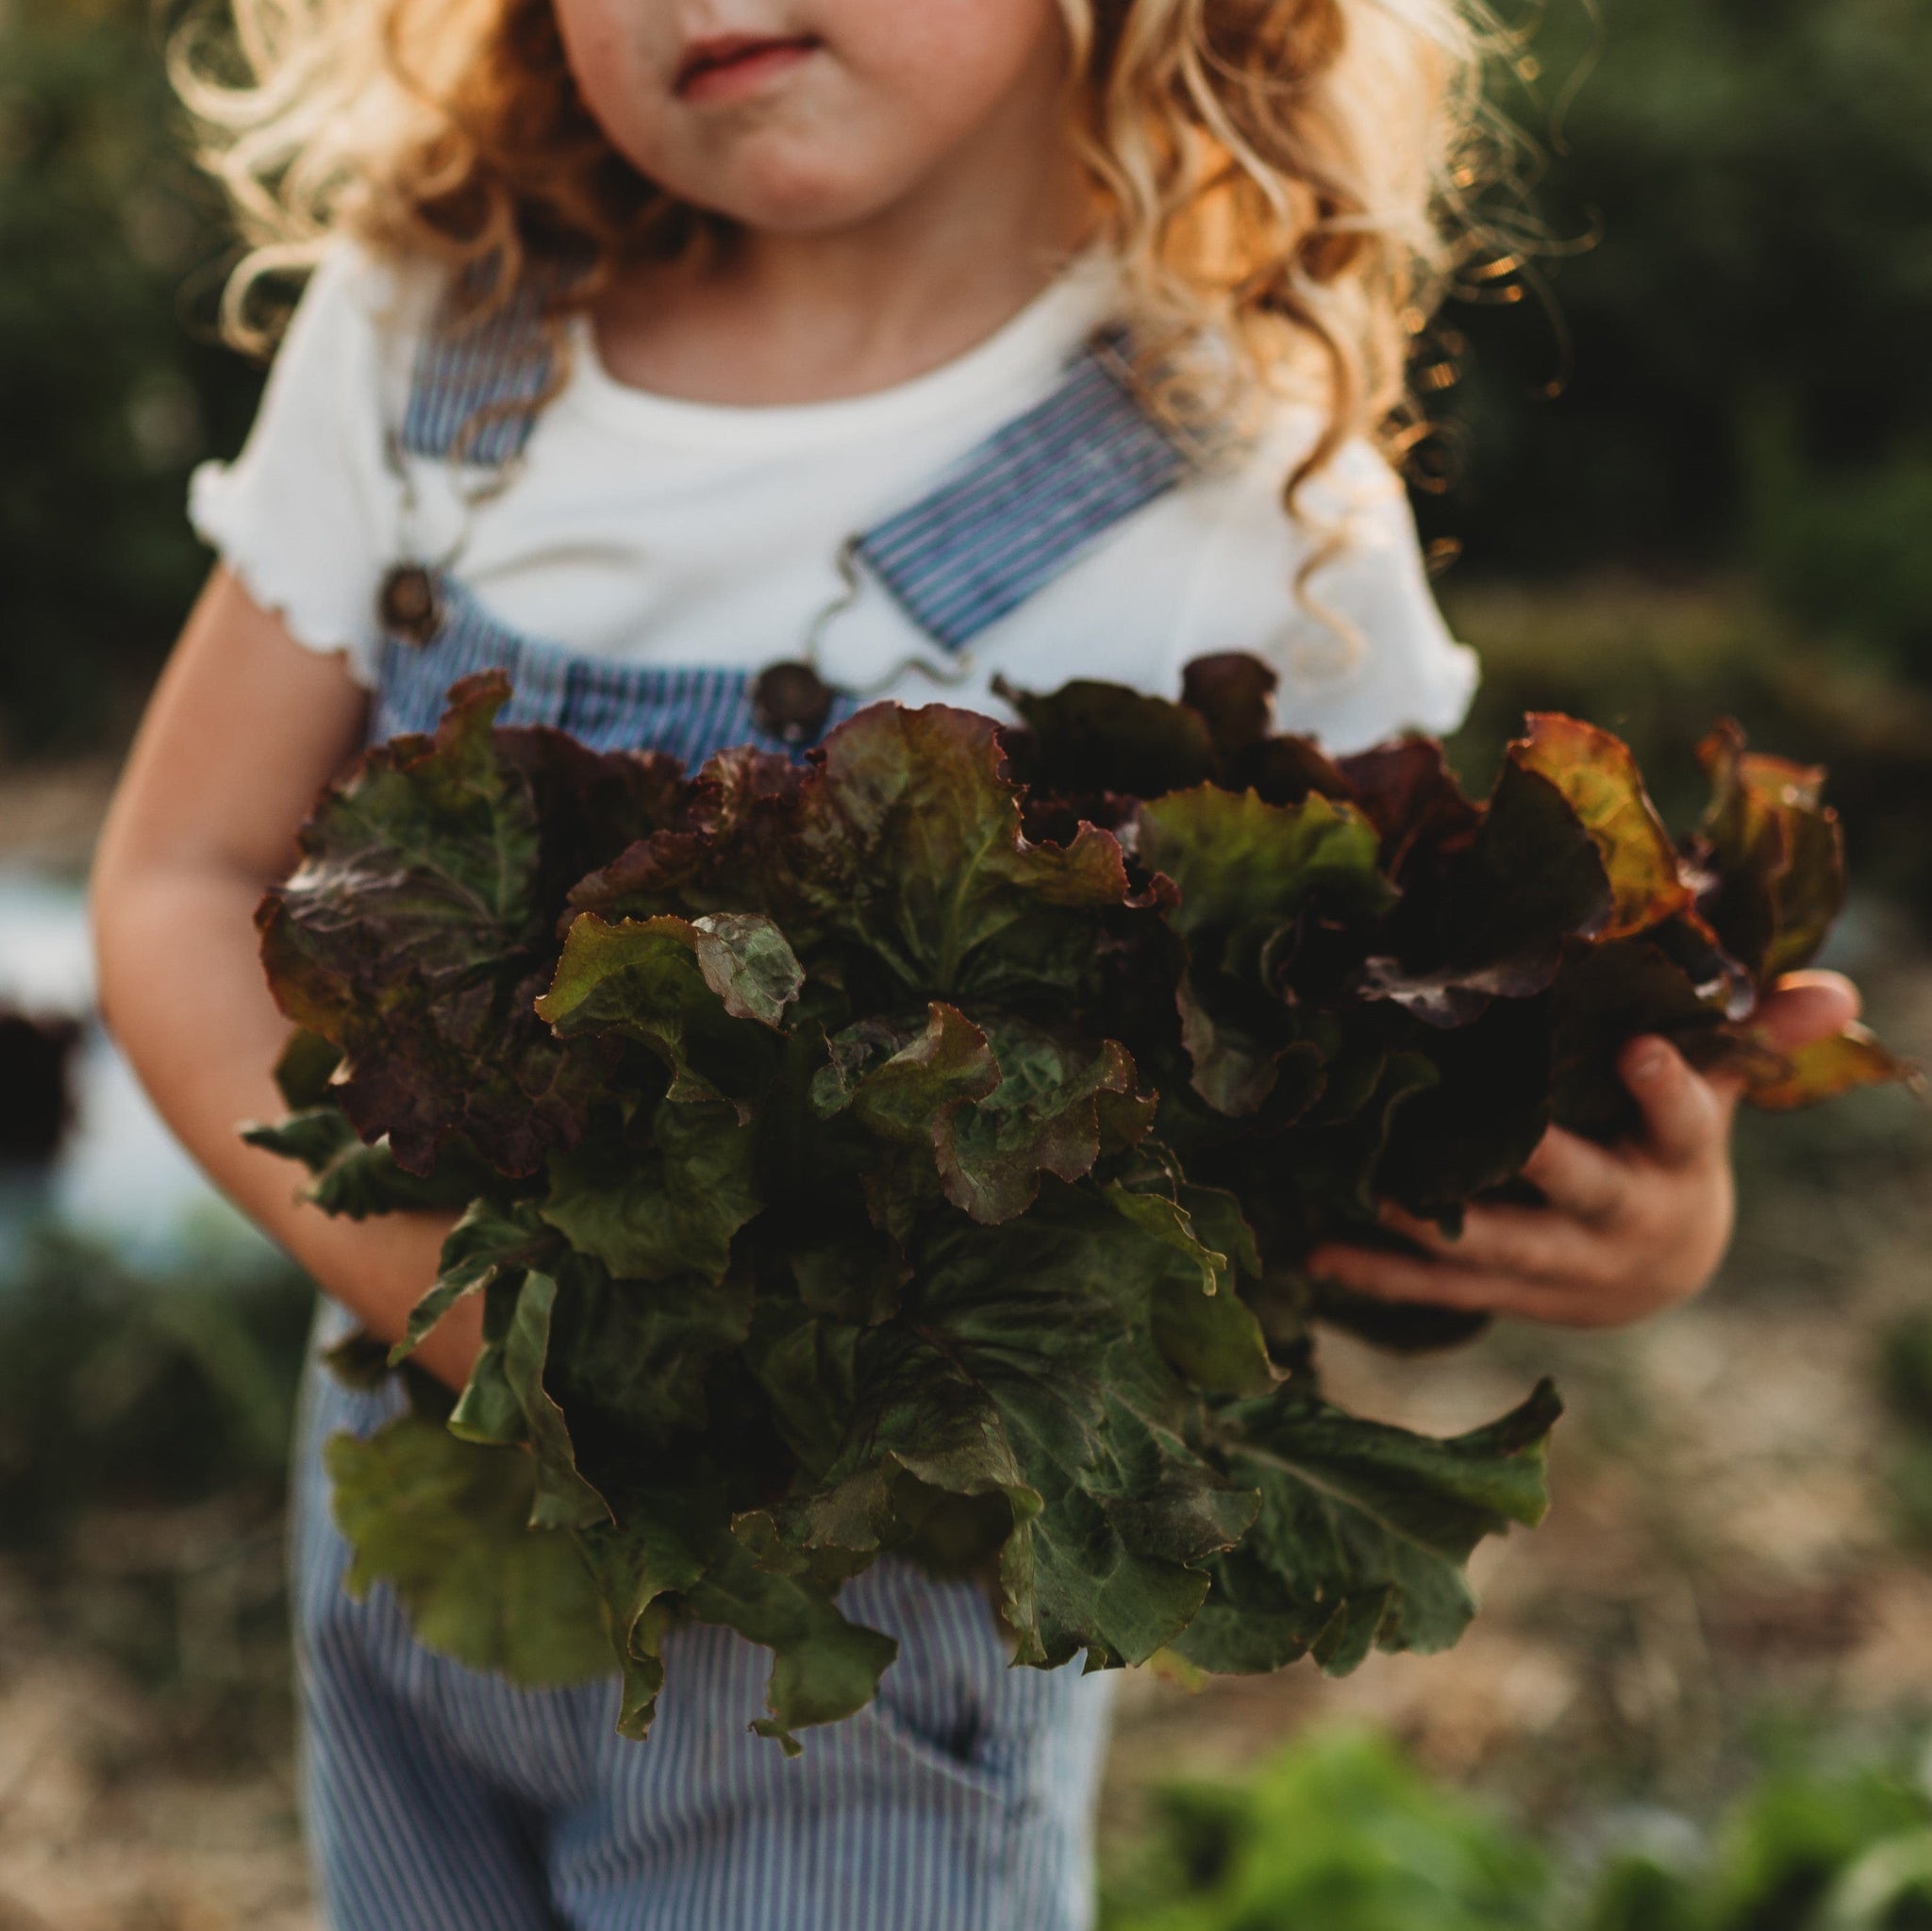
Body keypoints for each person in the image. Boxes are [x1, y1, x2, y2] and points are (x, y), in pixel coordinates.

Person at [90, 3, 1857, 1926]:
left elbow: (1378, 1039)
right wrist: (456, 1304)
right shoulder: (436, 331)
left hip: (862, 1650)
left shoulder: (1238, 482)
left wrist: (1646, 1212)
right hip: (418, 1555)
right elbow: (178, 883)